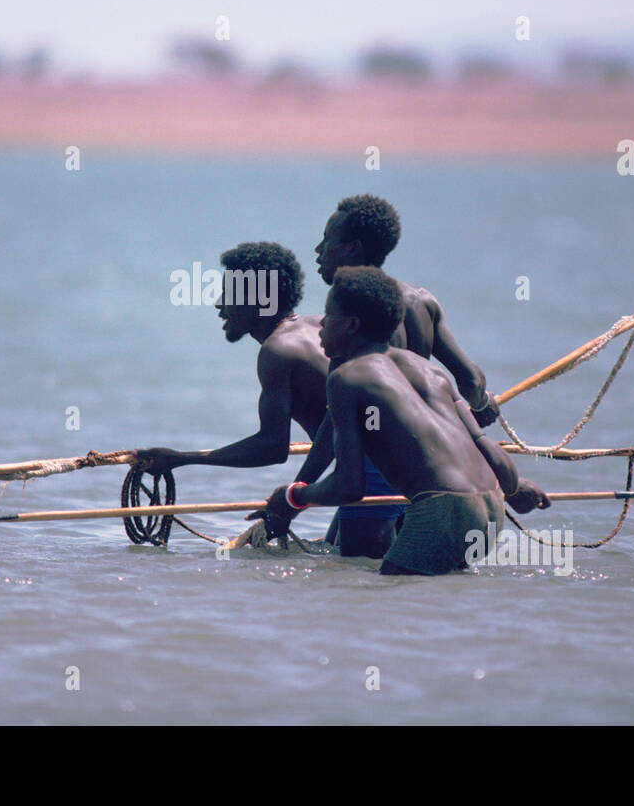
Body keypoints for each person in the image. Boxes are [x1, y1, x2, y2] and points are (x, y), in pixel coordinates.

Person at [248, 266, 545, 576]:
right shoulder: (430, 371)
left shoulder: (346, 378)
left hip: (442, 510)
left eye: (329, 315)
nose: (320, 324)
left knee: (386, 600)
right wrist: (514, 489)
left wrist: (292, 497)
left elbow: (349, 486)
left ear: (351, 325)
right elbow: (484, 444)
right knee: (434, 599)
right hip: (492, 506)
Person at [296, 194, 504, 550]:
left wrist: (295, 496)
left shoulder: (350, 322)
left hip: (375, 471)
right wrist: (481, 405)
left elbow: (334, 422)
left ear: (353, 249)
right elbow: (469, 380)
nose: (318, 250)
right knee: (362, 562)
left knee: (357, 577)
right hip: (429, 470)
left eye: (328, 240)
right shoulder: (422, 301)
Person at [136, 242, 328, 475]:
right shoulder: (324, 325)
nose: (219, 304)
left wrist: (179, 459)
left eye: (229, 293)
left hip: (369, 479)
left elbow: (273, 446)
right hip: (379, 467)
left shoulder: (277, 351)